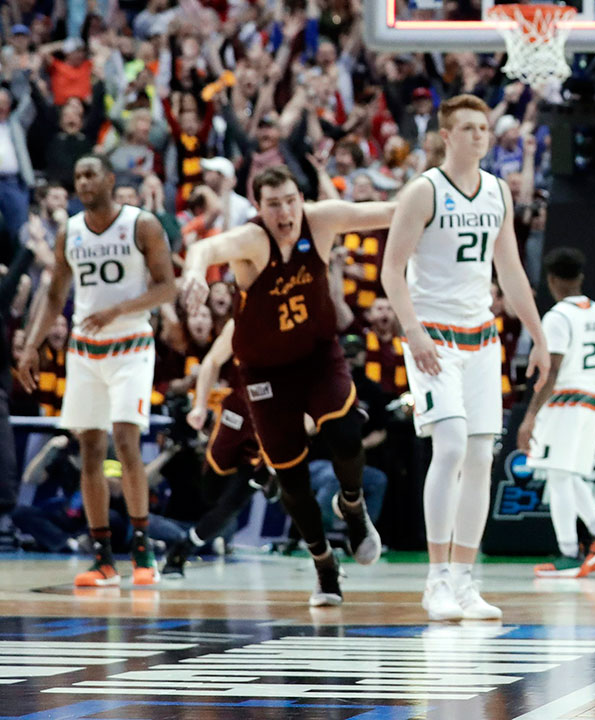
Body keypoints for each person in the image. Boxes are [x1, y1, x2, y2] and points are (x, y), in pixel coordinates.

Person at [178, 165, 396, 607]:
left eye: (291, 200)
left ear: (301, 198)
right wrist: (197, 272)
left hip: (318, 355)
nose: (285, 211)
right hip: (264, 374)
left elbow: (390, 209)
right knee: (291, 480)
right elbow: (206, 246)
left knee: (346, 432)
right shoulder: (253, 241)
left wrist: (443, 196)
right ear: (259, 207)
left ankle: (352, 507)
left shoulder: (321, 220)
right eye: (274, 204)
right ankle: (323, 565)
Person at [382, 94, 550, 622]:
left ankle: (464, 580)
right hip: (432, 337)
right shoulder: (423, 191)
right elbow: (391, 271)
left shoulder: (498, 191)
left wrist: (539, 337)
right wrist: (413, 333)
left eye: (484, 127)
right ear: (446, 135)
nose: (481, 135)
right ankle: (434, 581)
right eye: (469, 128)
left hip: (482, 338)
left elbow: (513, 273)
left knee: (481, 457)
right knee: (451, 446)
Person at [16, 154, 177, 587]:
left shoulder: (142, 224)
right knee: (88, 449)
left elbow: (167, 286)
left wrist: (119, 310)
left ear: (109, 178)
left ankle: (142, 549)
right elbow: (53, 297)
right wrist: (30, 347)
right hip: (85, 351)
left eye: (90, 174)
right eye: (78, 175)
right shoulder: (70, 231)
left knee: (125, 440)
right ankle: (102, 556)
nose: (83, 181)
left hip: (131, 346)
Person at [515, 248, 595, 578]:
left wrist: (531, 415)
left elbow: (551, 370)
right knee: (565, 473)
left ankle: (572, 550)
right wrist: (592, 392)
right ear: (579, 277)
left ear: (551, 280)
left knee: (559, 475)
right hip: (593, 399)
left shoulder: (557, 317)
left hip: (565, 400)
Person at [163, 319, 267, 578]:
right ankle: (189, 539)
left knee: (234, 502)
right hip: (238, 413)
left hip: (271, 420)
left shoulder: (297, 323)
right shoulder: (243, 320)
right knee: (211, 493)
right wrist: (199, 405)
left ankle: (183, 548)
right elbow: (211, 362)